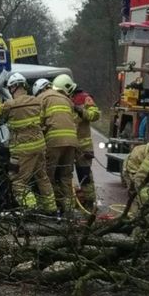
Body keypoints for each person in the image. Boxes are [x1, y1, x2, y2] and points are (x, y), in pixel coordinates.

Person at [1, 73, 56, 213]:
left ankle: (30, 208)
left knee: (18, 182)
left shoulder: (10, 104)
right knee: (42, 178)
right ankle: (51, 209)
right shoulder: (37, 101)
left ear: (13, 87)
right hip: (40, 147)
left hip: (22, 150)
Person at [53, 73, 100, 211]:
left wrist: (80, 110)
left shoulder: (84, 98)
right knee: (65, 175)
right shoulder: (62, 100)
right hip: (68, 145)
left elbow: (94, 115)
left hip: (83, 147)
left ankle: (90, 203)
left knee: (84, 174)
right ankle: (67, 203)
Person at [40, 77, 79, 216]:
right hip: (72, 142)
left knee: (48, 176)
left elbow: (39, 121)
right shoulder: (68, 101)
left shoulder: (43, 97)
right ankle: (68, 209)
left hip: (54, 142)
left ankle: (52, 207)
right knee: (66, 176)